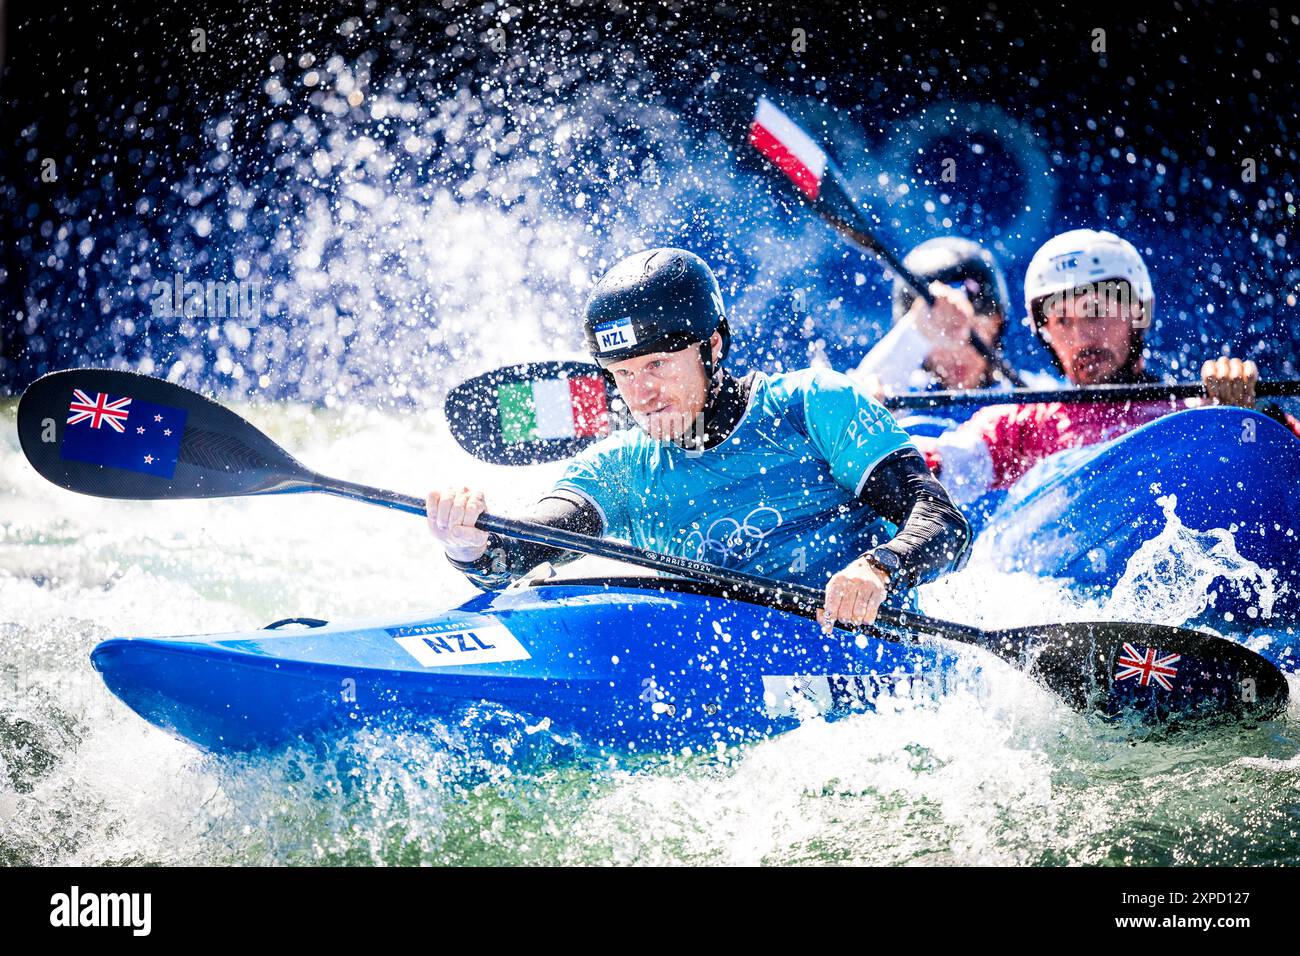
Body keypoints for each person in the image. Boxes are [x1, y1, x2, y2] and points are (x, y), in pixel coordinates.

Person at [428, 247, 971, 630]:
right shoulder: (620, 468)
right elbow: (534, 540)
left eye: (658, 365)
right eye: (622, 373)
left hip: (863, 650)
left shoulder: (813, 404)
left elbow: (943, 523)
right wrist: (474, 542)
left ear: (713, 347)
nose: (640, 394)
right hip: (724, 668)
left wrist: (880, 567)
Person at [917, 228, 1282, 505]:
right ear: (1046, 336)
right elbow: (921, 469)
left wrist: (1255, 415)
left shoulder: (1203, 412)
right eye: (1061, 320)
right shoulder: (1024, 426)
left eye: (1095, 310)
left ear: (1138, 311)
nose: (1081, 337)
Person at [851, 236, 1048, 397]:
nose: (956, 351)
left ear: (997, 323)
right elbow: (842, 418)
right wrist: (914, 328)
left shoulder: (1037, 399)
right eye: (940, 334)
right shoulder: (894, 393)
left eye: (970, 329)